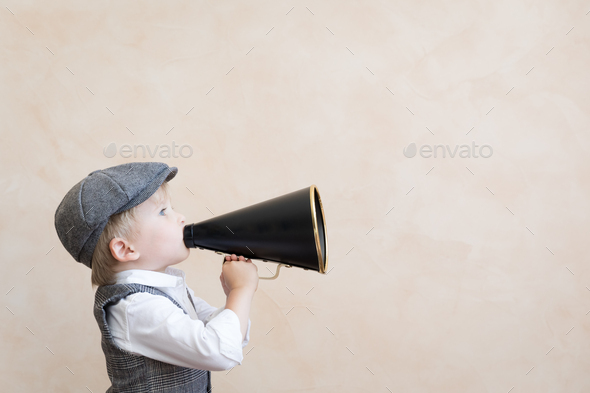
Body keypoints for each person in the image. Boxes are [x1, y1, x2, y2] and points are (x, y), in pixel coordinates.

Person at [54, 161, 259, 392]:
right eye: (163, 212)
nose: (181, 217)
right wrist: (242, 290)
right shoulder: (134, 307)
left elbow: (218, 331)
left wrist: (233, 294)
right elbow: (219, 351)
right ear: (125, 249)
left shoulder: (167, 288)